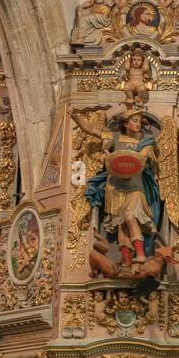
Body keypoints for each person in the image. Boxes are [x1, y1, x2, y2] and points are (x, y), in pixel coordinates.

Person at [70, 107, 170, 265]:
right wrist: (77, 119)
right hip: (115, 186)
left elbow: (141, 161)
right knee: (120, 224)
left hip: (135, 186)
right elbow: (92, 130)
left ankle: (141, 254)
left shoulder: (146, 141)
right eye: (134, 121)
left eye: (139, 121)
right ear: (125, 123)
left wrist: (116, 158)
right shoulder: (114, 137)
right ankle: (126, 261)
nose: (138, 124)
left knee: (130, 217)